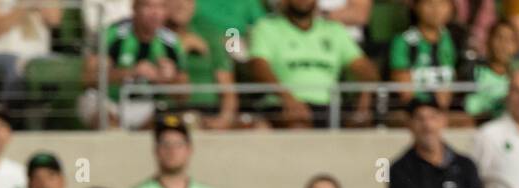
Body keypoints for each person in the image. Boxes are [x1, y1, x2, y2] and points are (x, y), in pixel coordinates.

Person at [247, 0, 375, 128]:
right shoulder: (266, 27)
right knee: (297, 126)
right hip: (281, 105)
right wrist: (287, 99)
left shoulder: (334, 29)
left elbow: (364, 68)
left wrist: (365, 100)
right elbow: (259, 67)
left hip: (329, 108)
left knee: (361, 128)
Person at [80, 0, 188, 131]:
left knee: (170, 123)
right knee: (103, 117)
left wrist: (167, 80)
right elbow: (87, 79)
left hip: (149, 106)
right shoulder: (113, 34)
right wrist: (130, 73)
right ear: (134, 8)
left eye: (161, 7)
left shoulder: (172, 43)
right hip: (111, 102)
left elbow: (184, 94)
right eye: (148, 6)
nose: (155, 13)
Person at [168, 0, 242, 130]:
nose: (181, 5)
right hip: (170, 113)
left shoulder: (210, 36)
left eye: (188, 1)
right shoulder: (154, 37)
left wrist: (223, 120)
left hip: (208, 112)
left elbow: (228, 89)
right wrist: (180, 50)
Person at [0, 0, 61, 104]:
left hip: (38, 56)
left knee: (61, 66)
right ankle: (10, 116)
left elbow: (55, 20)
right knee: (17, 67)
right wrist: (23, 6)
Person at [388, 0, 463, 113]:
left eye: (442, 4)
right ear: (416, 7)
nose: (436, 9)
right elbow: (404, 88)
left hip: (448, 110)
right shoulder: (403, 41)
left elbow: (460, 77)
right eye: (429, 4)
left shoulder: (457, 38)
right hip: (414, 111)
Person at [463, 17, 519, 122]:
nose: (504, 45)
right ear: (489, 41)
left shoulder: (518, 77)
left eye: (509, 40)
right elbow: (470, 108)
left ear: (516, 46)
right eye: (499, 38)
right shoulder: (474, 71)